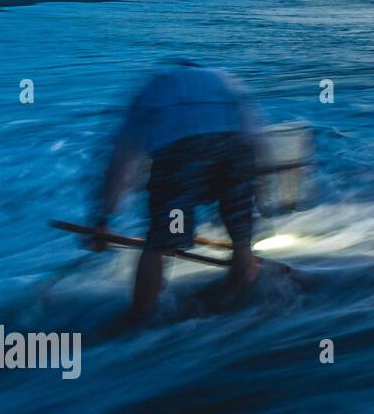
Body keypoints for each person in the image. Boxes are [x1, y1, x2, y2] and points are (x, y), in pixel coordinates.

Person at [85, 60, 261, 317]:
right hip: (235, 150)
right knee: (241, 240)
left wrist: (103, 219)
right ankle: (243, 308)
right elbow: (257, 140)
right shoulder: (226, 79)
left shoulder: (155, 84)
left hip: (182, 152)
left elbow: (122, 158)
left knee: (159, 244)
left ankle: (142, 319)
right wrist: (259, 195)